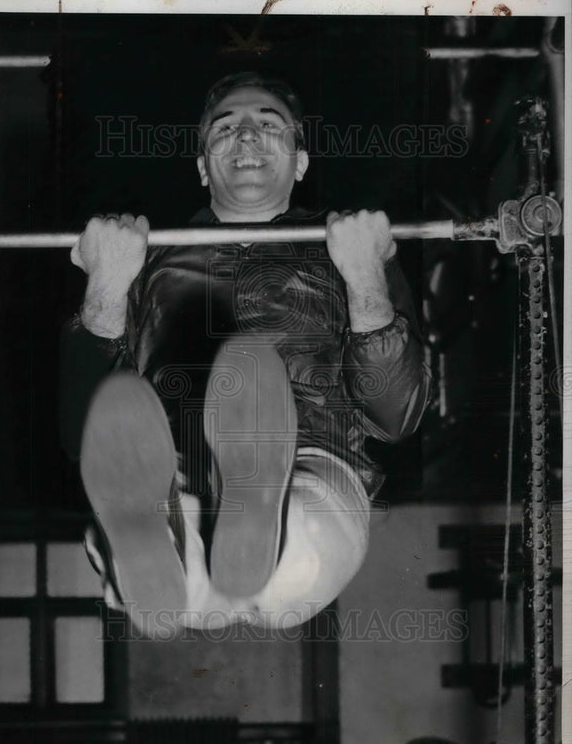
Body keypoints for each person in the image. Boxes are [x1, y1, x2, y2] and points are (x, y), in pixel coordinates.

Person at [60, 72, 431, 638]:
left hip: (318, 454)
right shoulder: (147, 258)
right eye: (226, 127)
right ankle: (186, 534)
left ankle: (215, 524)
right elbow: (82, 428)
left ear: (301, 162)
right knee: (264, 577)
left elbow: (397, 415)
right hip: (175, 459)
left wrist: (363, 275)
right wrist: (107, 288)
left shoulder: (351, 248)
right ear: (204, 165)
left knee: (292, 551)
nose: (249, 136)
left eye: (268, 124)